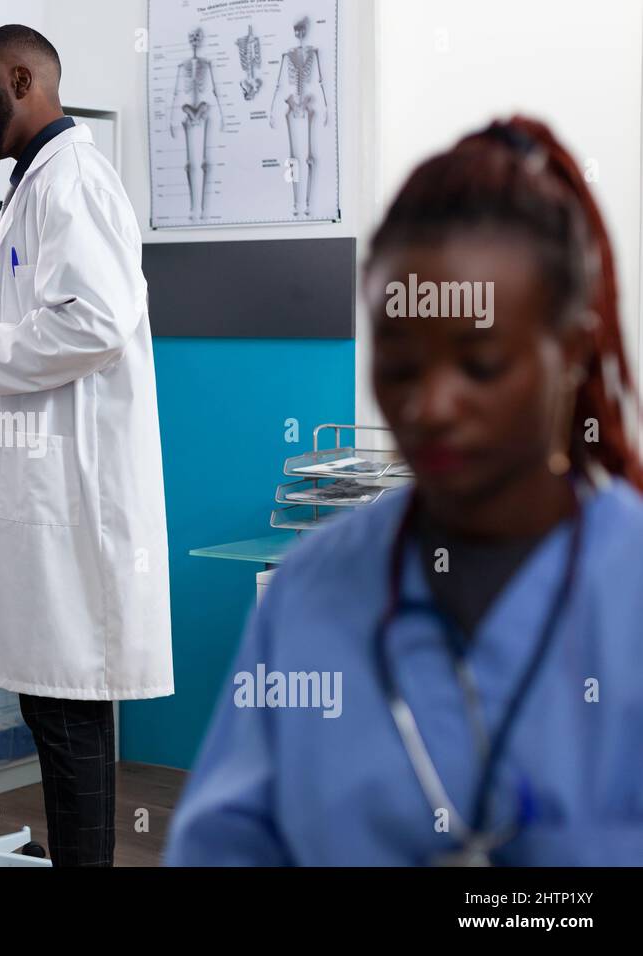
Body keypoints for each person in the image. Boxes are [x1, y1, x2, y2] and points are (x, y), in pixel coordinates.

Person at [165, 117, 643, 865]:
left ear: (572, 351)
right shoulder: (316, 589)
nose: (431, 405)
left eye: (480, 362)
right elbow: (225, 844)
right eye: (399, 362)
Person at [0, 25, 173, 867]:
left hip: (73, 503)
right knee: (57, 712)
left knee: (69, 715)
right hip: (46, 486)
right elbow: (42, 353)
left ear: (23, 79)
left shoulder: (72, 180)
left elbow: (92, 326)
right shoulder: (32, 187)